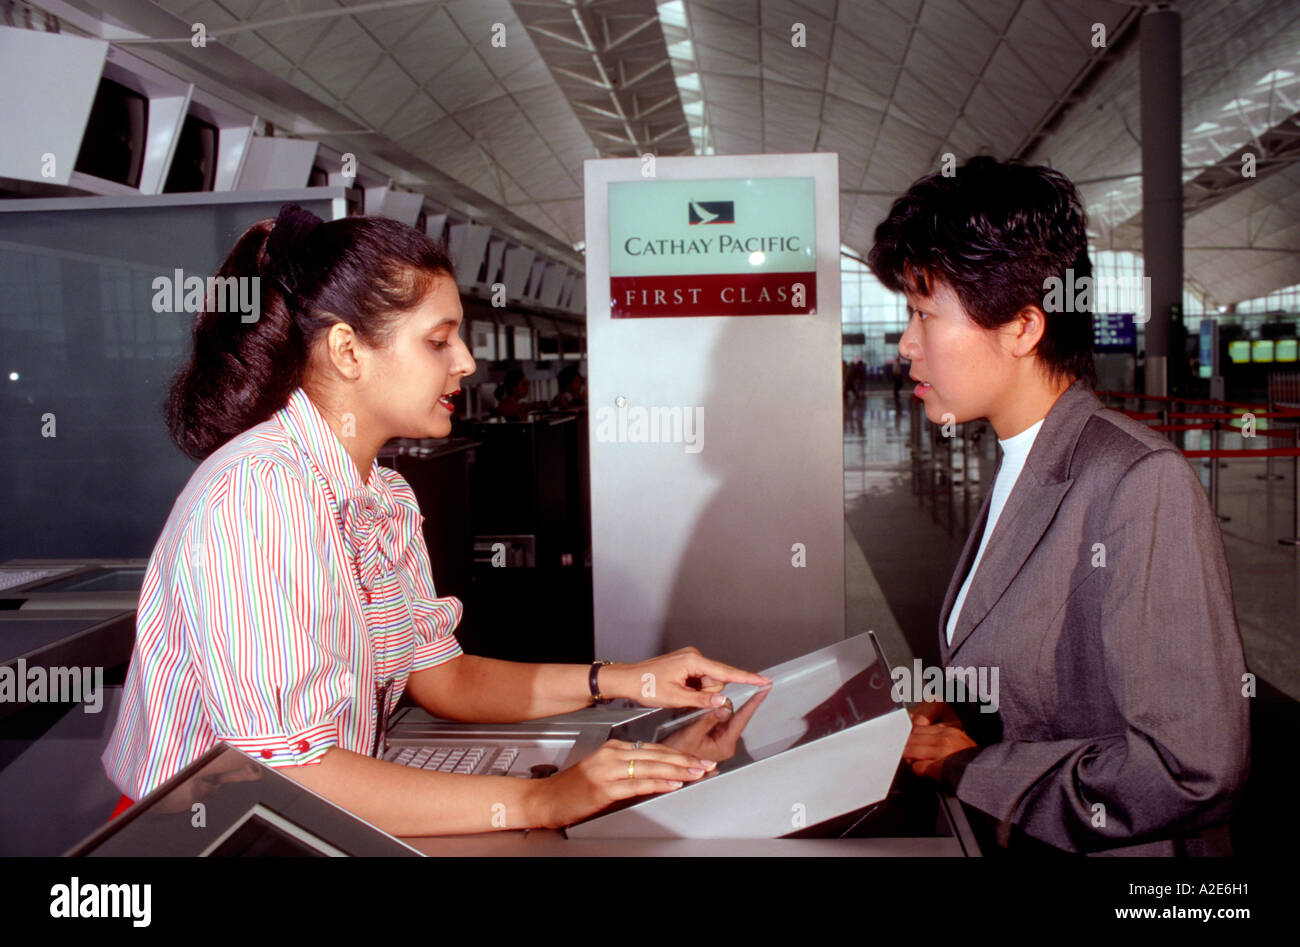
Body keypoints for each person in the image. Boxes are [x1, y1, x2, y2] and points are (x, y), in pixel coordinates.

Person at [102, 203, 769, 837]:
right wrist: (541, 798)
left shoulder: (382, 496)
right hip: (207, 836)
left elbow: (444, 677)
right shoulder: (258, 495)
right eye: (439, 341)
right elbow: (286, 769)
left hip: (300, 814)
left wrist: (623, 680)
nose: (467, 363)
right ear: (348, 350)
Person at [867, 157, 1249, 855]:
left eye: (924, 313)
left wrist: (970, 764)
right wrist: (967, 715)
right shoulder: (1025, 459)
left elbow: (1190, 768)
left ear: (1022, 326)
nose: (906, 342)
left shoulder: (1138, 481)